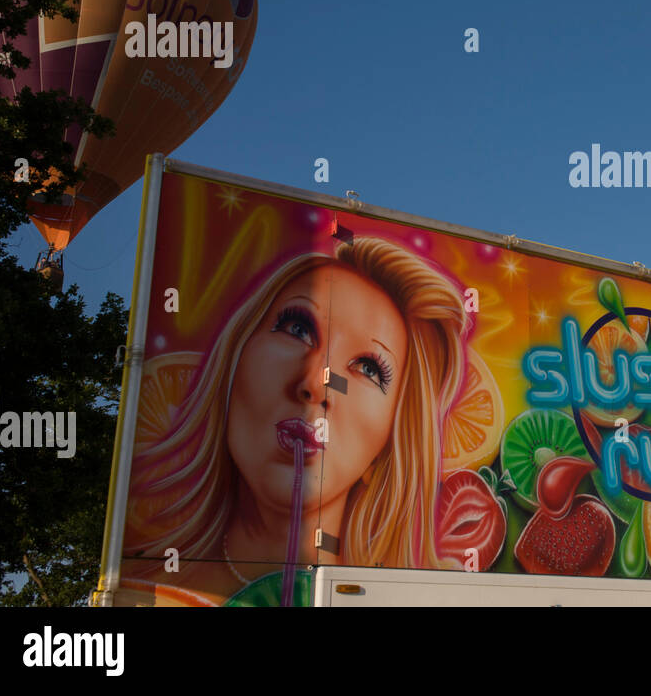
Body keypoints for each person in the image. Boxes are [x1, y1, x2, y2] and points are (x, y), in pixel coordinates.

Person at [123, 235, 469, 603]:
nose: (314, 385)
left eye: (367, 368)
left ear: (389, 444)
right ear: (233, 361)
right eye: (298, 330)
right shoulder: (135, 590)